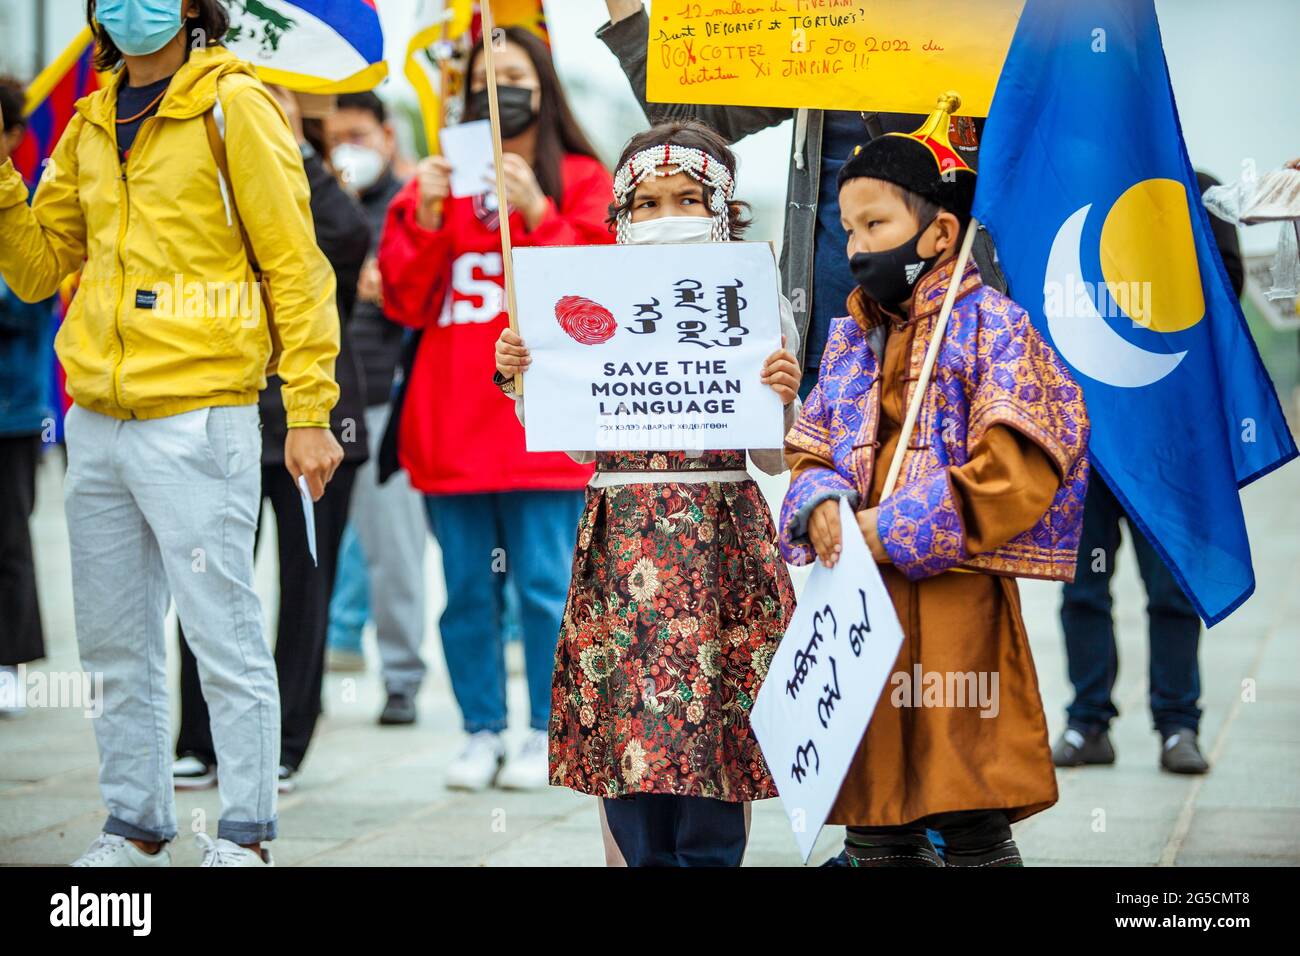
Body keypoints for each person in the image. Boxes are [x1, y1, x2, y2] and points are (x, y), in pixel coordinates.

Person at [0, 0, 345, 867]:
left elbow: (297, 267)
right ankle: (133, 820)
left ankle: (246, 830)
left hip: (202, 414)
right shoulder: (85, 122)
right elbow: (41, 268)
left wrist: (308, 410)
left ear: (194, 5)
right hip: (98, 421)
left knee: (220, 631)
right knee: (114, 640)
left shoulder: (237, 106)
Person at [778, 98, 1091, 867]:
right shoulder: (854, 333)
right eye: (846, 230)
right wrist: (819, 504)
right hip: (859, 605)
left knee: (967, 799)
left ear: (939, 232)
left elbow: (1019, 468)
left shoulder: (996, 327)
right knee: (877, 814)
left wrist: (889, 529)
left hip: (957, 599)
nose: (854, 248)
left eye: (875, 226)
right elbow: (807, 445)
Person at [495, 119, 800, 867]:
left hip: (720, 531)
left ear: (724, 207)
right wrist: (527, 378)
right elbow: (577, 441)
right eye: (650, 202)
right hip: (625, 530)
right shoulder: (586, 295)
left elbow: (768, 451)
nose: (669, 216)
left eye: (690, 199)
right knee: (627, 715)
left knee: (720, 719)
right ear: (622, 213)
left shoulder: (752, 297)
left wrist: (784, 397)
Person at [379, 27, 613, 791]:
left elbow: (602, 300)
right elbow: (405, 301)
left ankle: (547, 731)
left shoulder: (580, 178)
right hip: (451, 426)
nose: (502, 89)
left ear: (544, 89)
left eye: (516, 75)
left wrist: (541, 212)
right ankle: (480, 728)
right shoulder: (433, 181)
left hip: (541, 431)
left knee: (547, 586)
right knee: (468, 593)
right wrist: (422, 215)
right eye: (488, 76)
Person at [596, 0, 1004, 401]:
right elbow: (682, 110)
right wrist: (626, 11)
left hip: (966, 323)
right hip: (829, 330)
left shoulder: (987, 28)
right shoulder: (813, 27)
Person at [173, 87, 371, 795]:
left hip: (315, 418)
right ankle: (198, 738)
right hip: (218, 407)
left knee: (306, 585)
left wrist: (284, 140)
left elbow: (349, 239)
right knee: (208, 583)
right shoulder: (201, 176)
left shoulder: (319, 178)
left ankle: (287, 740)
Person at [1051, 169, 1244, 776]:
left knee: (1172, 589)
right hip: (1086, 439)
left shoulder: (1200, 193)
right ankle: (1087, 722)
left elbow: (1225, 295)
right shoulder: (1070, 188)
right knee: (1082, 588)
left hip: (1169, 439)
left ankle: (1178, 726)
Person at [321, 91, 429, 726]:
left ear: (388, 137)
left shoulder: (410, 204)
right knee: (319, 549)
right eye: (335, 139)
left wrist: (395, 282)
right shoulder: (313, 198)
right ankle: (313, 669)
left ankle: (401, 677)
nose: (346, 151)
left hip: (385, 394)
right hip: (318, 399)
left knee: (393, 545)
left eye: (358, 135)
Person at [0, 77, 54, 714]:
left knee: (8, 539)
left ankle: (8, 661)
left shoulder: (28, 200)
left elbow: (29, 292)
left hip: (11, 410)